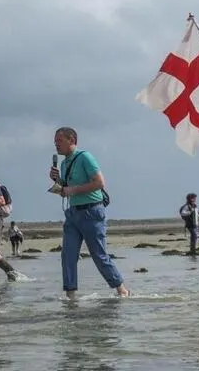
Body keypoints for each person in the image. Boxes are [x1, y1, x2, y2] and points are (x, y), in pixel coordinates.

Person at [49, 126, 129, 299]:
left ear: (72, 140)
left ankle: (121, 288)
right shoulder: (63, 164)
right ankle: (71, 295)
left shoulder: (85, 157)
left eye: (59, 141)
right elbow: (65, 187)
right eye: (55, 142)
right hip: (72, 214)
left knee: (98, 254)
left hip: (91, 211)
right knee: (67, 255)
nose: (56, 145)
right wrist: (57, 181)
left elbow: (100, 183)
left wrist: (73, 190)